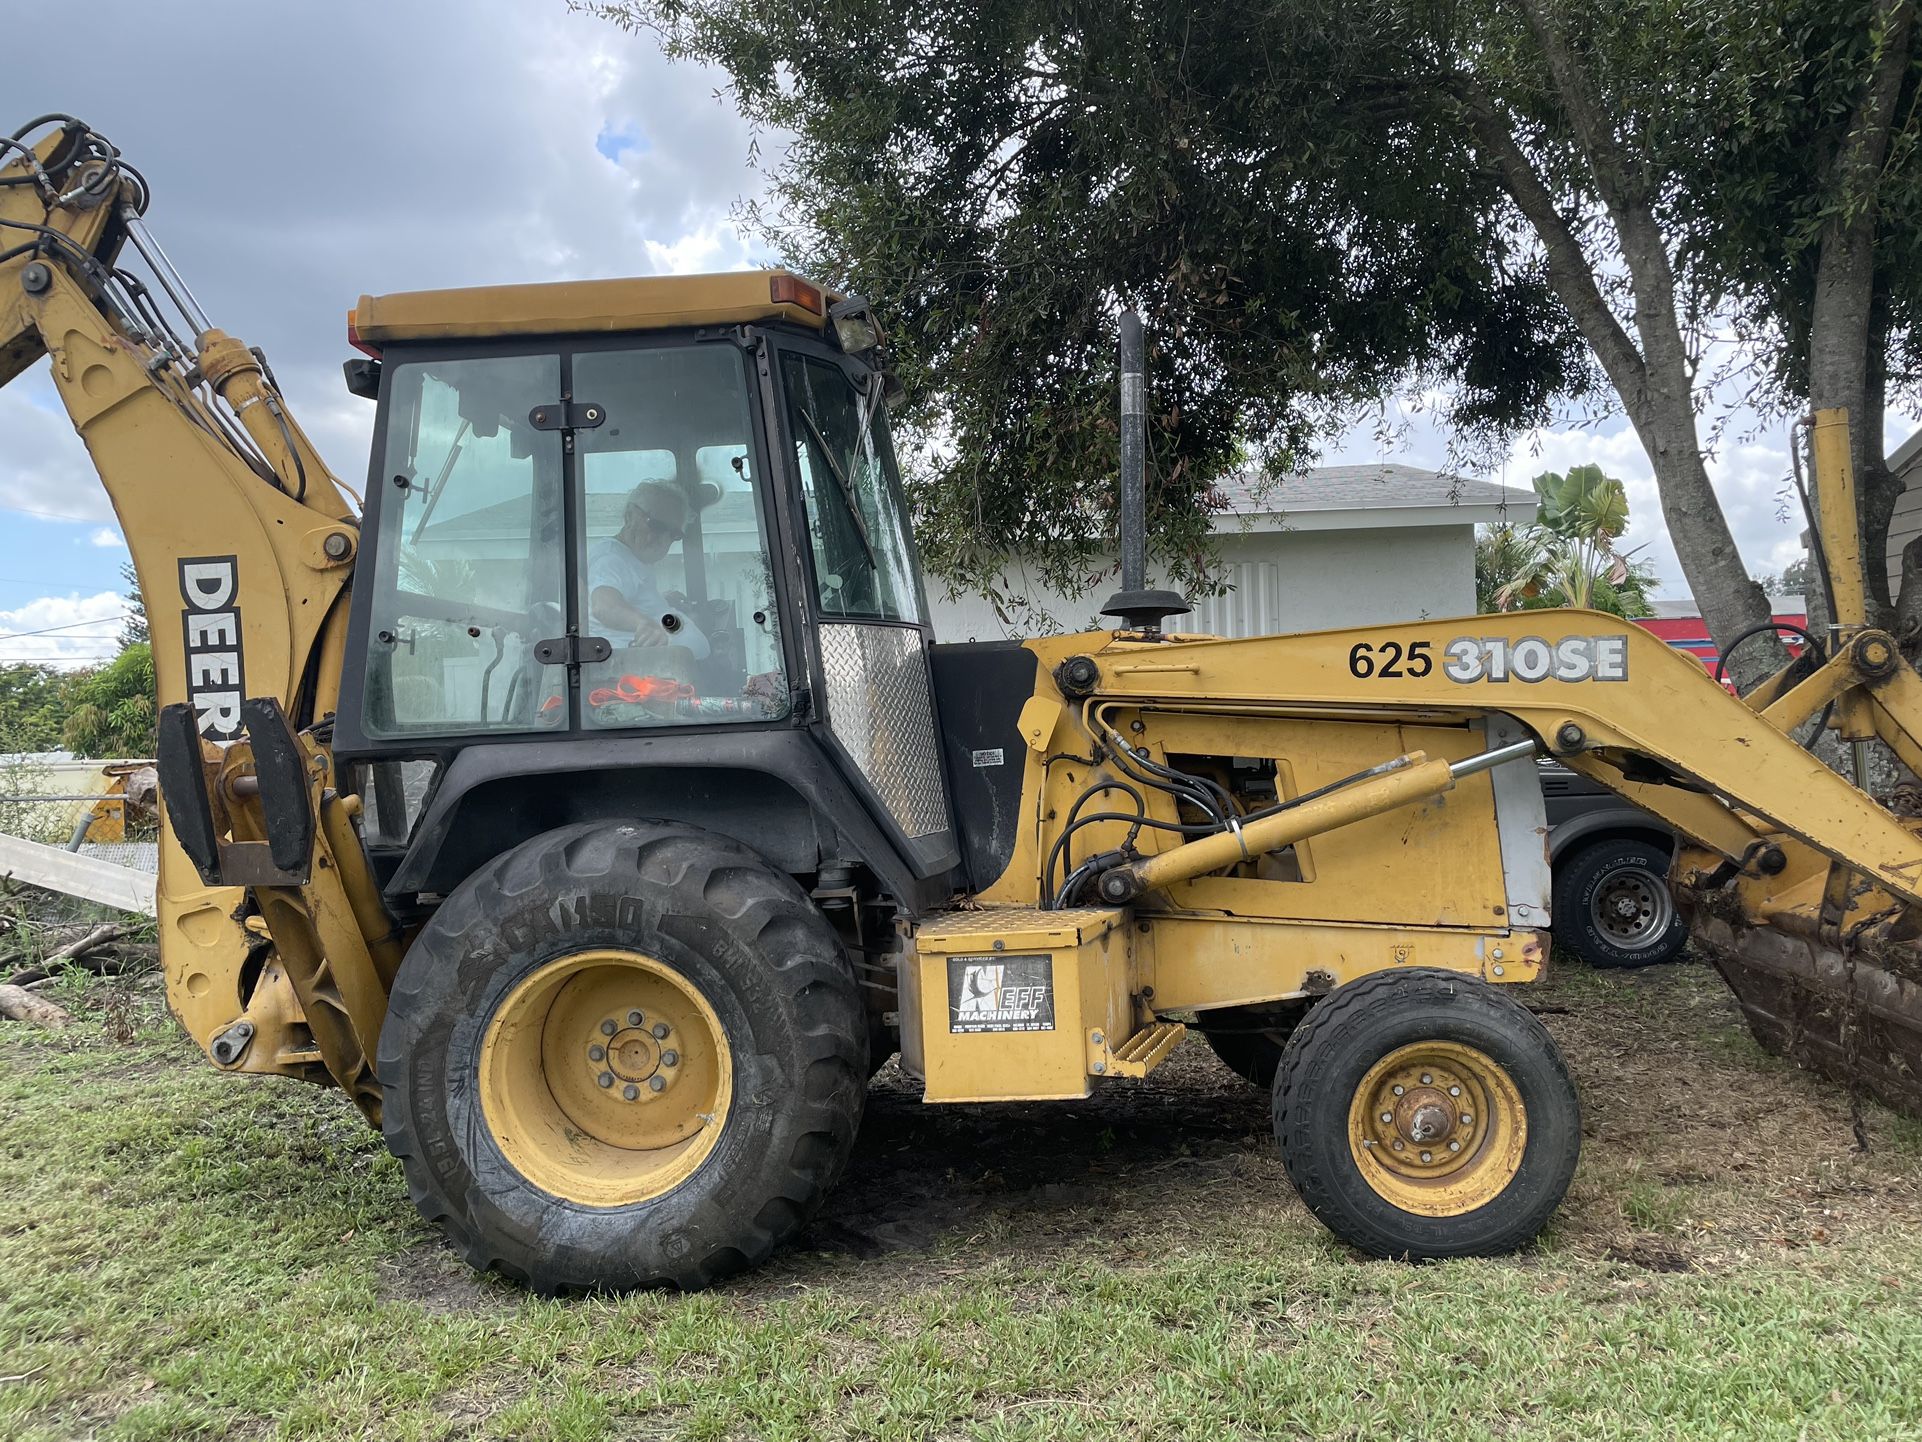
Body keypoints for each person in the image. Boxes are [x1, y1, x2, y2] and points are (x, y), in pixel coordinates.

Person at [586, 480, 710, 659]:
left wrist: (658, 600)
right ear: (629, 516)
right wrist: (644, 623)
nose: (664, 539)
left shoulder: (631, 558)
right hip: (634, 673)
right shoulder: (611, 558)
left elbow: (623, 593)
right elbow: (604, 606)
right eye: (657, 526)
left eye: (674, 534)